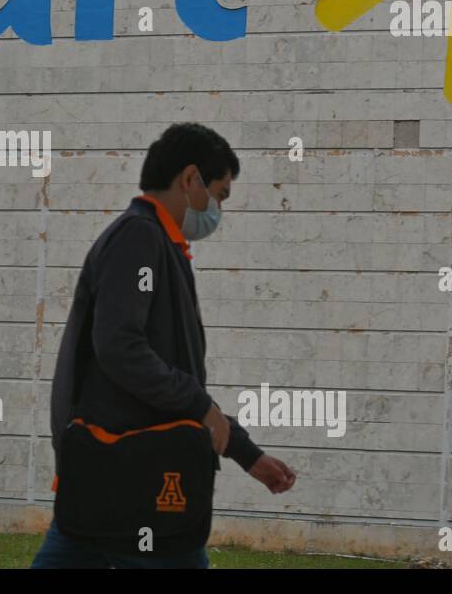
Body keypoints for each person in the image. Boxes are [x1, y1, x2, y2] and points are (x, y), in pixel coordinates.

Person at [31, 123, 295, 568]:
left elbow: (165, 380)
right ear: (190, 180)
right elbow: (120, 347)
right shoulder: (139, 238)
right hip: (136, 474)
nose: (218, 210)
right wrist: (201, 406)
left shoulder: (159, 246)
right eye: (221, 194)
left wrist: (245, 453)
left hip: (118, 472)